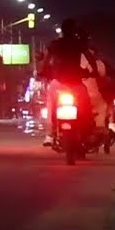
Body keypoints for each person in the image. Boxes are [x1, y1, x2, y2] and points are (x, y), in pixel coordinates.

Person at [38, 18, 97, 146]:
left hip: (59, 83)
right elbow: (91, 58)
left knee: (51, 107)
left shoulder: (55, 44)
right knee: (86, 107)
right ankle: (89, 133)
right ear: (74, 31)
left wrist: (42, 71)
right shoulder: (78, 43)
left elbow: (46, 60)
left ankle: (49, 135)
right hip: (75, 83)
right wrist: (95, 71)